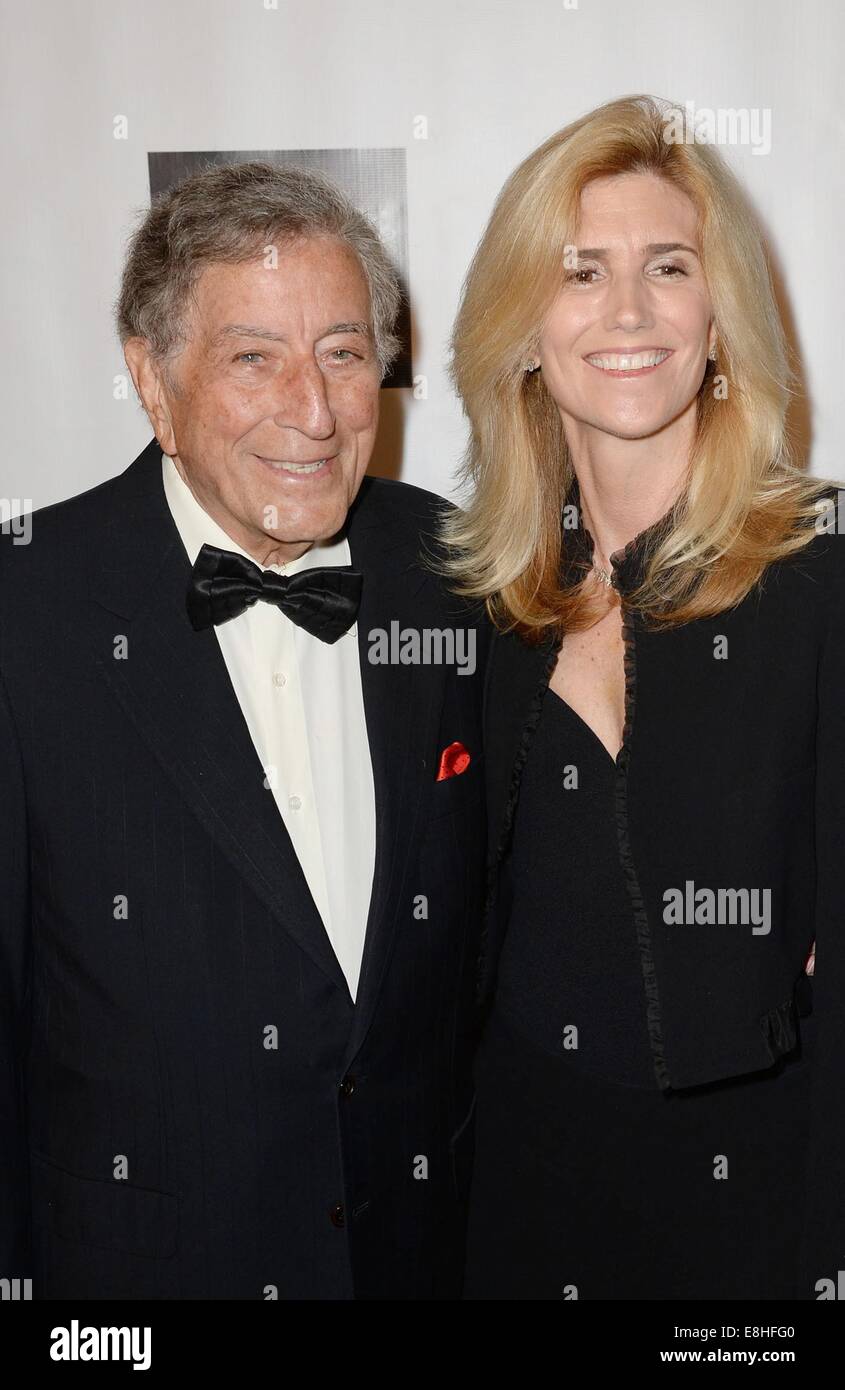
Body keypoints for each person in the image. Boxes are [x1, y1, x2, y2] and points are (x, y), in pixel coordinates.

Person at [0, 162, 487, 1299]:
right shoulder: (27, 611)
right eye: (253, 357)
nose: (313, 413)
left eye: (344, 353)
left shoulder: (454, 575)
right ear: (152, 381)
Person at [442, 95, 843, 1300]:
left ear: (718, 320)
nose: (626, 312)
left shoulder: (818, 580)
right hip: (523, 1199)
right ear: (521, 329)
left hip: (763, 1209)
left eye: (668, 267)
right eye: (579, 273)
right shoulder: (467, 599)